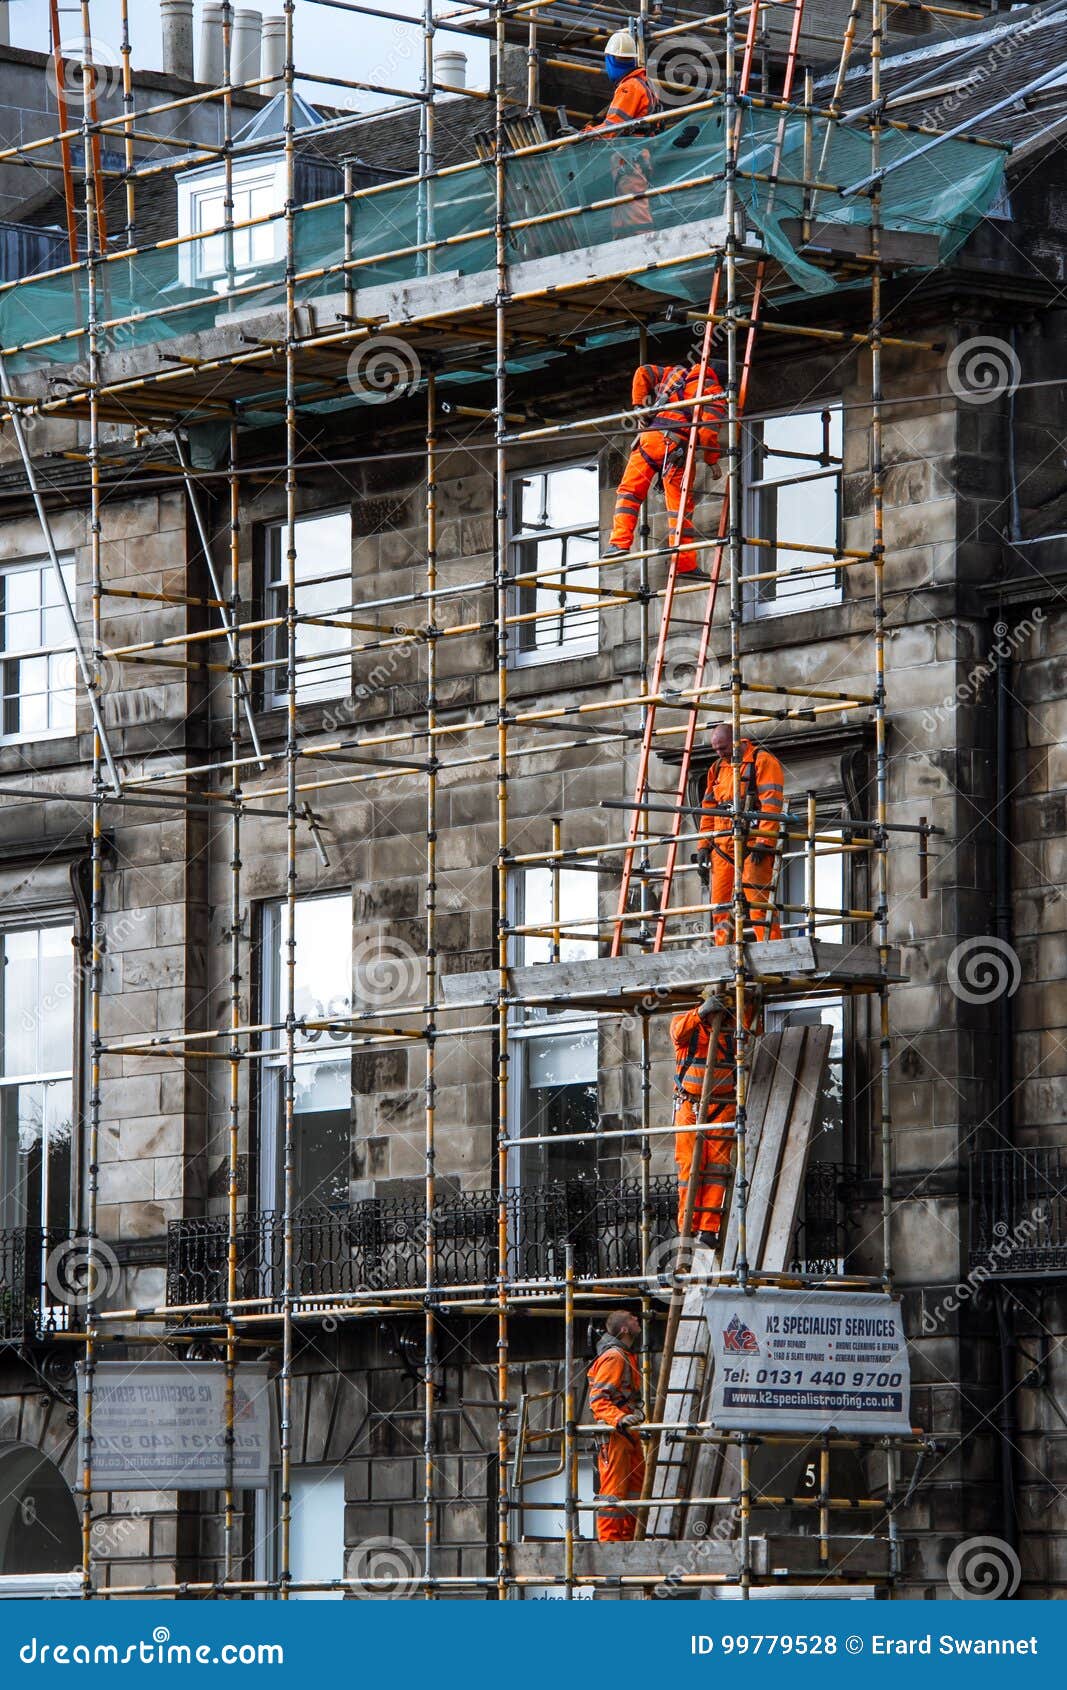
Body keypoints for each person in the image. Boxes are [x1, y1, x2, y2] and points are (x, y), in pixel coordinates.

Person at [607, 360, 725, 576]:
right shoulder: (713, 391)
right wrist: (711, 459)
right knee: (679, 507)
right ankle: (684, 563)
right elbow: (707, 432)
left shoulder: (674, 374)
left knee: (629, 493)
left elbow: (642, 372)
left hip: (646, 442)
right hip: (674, 447)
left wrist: (639, 408)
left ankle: (618, 543)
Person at [697, 723, 785, 943]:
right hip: (722, 846)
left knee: (757, 903)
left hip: (752, 843)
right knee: (720, 906)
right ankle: (724, 953)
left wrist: (764, 841)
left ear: (737, 741)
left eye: (723, 748)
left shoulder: (761, 761)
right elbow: (708, 809)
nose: (719, 753)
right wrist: (703, 845)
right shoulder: (717, 768)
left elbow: (771, 804)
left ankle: (771, 950)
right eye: (715, 749)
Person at [669, 988, 736, 1237]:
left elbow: (752, 1027)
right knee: (689, 1165)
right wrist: (701, 1012)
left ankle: (708, 1227)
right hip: (690, 1105)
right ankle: (688, 1224)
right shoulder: (687, 1023)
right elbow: (677, 1032)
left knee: (717, 1169)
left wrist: (740, 1004)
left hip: (722, 1105)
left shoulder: (731, 1029)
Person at [584, 30, 661, 231]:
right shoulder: (644, 83)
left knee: (635, 213)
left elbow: (613, 128)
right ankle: (621, 249)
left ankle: (647, 250)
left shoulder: (629, 87)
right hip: (634, 158)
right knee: (620, 216)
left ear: (611, 60)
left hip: (631, 160)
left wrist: (588, 134)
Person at [586, 1309, 645, 1541]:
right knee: (614, 1491)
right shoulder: (614, 1357)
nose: (637, 1319)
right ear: (624, 1329)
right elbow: (599, 1400)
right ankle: (610, 1543)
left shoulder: (626, 1356)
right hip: (616, 1434)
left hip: (628, 1432)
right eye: (632, 1318)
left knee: (633, 1490)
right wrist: (619, 1418)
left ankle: (628, 1540)